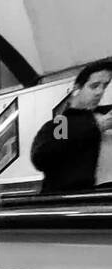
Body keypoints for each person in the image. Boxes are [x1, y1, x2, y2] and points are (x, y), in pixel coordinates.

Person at [30, 59, 112, 195]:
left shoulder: (102, 115)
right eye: (94, 86)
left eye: (104, 86)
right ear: (77, 89)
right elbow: (45, 155)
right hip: (68, 199)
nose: (100, 92)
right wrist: (96, 127)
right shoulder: (62, 122)